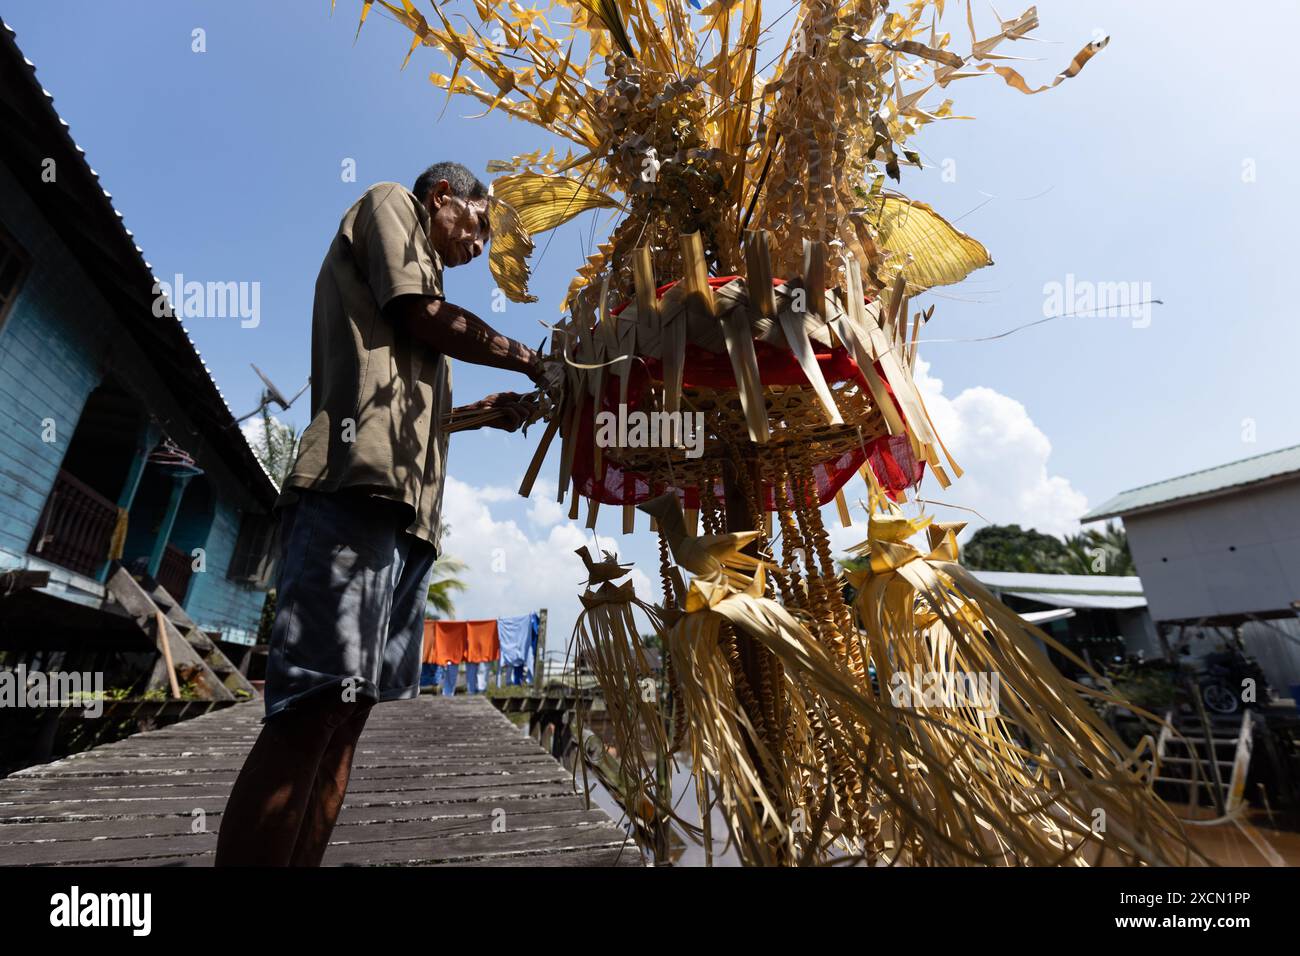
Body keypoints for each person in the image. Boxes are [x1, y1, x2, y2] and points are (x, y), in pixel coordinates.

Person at [215, 162, 561, 866]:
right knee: (307, 717)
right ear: (443, 198)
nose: (481, 242)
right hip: (352, 495)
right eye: (481, 222)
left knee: (346, 721)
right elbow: (418, 316)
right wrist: (528, 359)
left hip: (407, 523)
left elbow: (407, 408)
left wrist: (479, 416)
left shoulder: (426, 290)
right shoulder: (389, 207)